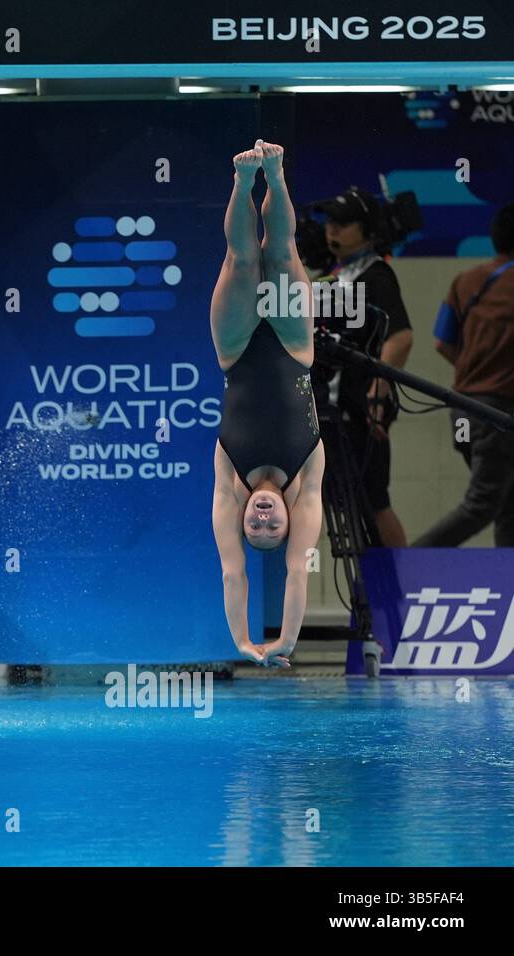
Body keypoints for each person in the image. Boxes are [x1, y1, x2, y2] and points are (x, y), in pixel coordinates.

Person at [211, 141, 326, 667]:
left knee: (241, 257)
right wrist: (286, 642)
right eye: (270, 528)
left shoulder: (228, 485)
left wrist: (241, 641)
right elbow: (300, 570)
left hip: (234, 350)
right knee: (280, 253)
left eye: (253, 528)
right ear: (285, 519)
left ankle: (241, 181)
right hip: (295, 347)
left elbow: (233, 573)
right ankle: (276, 176)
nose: (260, 520)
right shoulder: (307, 479)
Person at [317, 186, 413, 546]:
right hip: (331, 412)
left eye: (343, 224)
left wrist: (378, 392)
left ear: (365, 229)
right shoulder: (336, 278)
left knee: (374, 503)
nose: (332, 229)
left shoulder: (376, 276)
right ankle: (367, 597)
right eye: (330, 222)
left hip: (361, 414)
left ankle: (398, 594)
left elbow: (401, 336)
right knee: (345, 506)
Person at [414, 202, 514, 547]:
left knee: (507, 503)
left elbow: (442, 342)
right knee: (483, 505)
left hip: (462, 411)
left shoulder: (466, 281)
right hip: (498, 414)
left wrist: (477, 375)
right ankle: (415, 565)